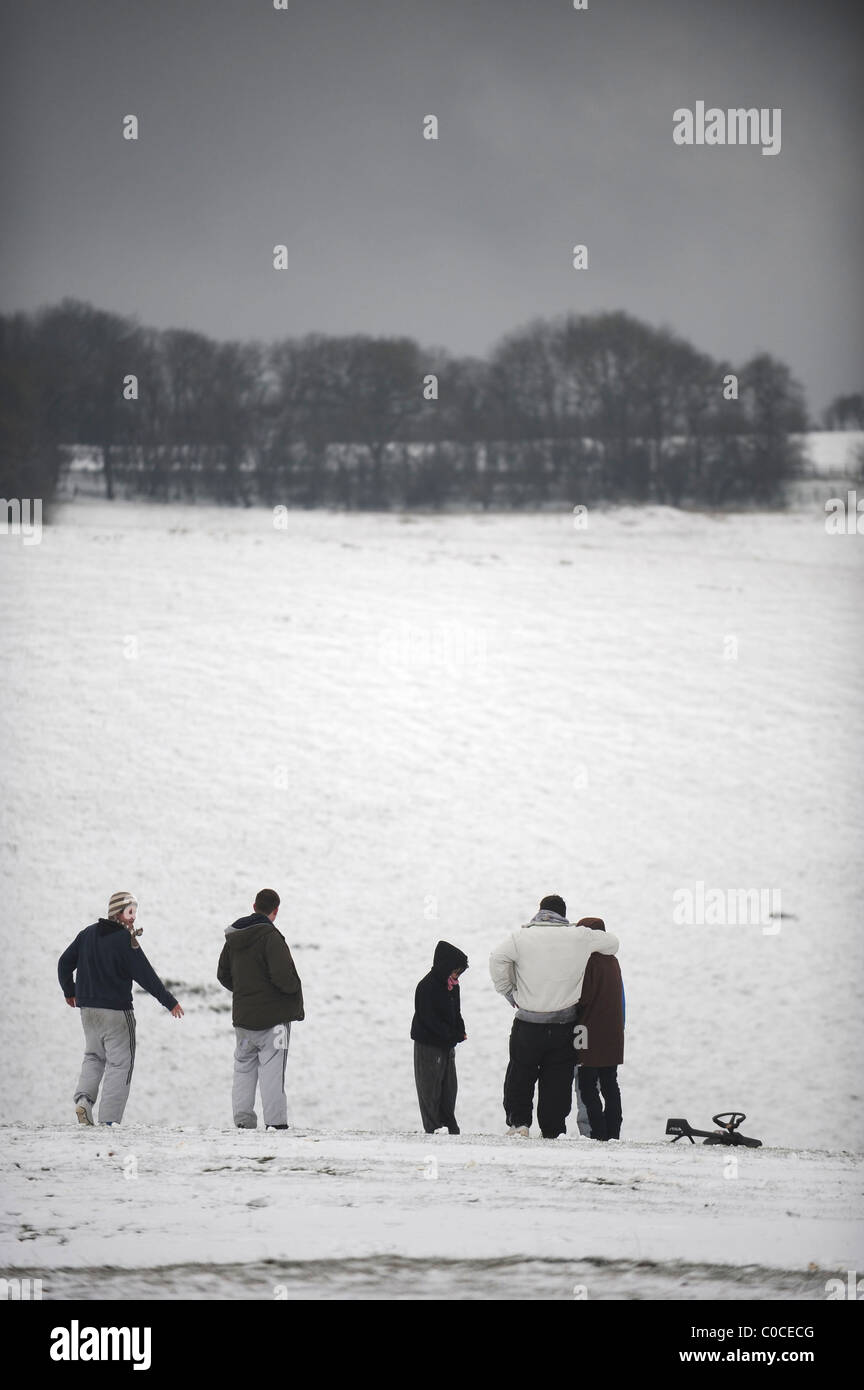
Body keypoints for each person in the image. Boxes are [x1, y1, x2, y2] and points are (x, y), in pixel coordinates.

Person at [490, 895, 619, 1139]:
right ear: (563, 914)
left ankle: (519, 1125)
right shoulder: (578, 937)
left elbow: (497, 958)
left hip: (527, 1023)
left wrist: (508, 990)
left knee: (521, 1074)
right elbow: (613, 943)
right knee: (557, 1081)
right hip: (563, 1025)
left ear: (540, 911)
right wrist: (588, 940)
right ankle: (552, 1130)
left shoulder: (521, 937)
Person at [57, 891, 184, 1126]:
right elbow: (146, 975)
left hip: (88, 1010)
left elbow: (64, 962)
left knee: (93, 1056)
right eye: (130, 912)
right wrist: (169, 1001)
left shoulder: (87, 934)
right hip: (117, 1013)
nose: (133, 918)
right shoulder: (126, 939)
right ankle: (109, 1121)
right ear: (118, 913)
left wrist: (70, 990)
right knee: (120, 1064)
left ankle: (84, 1101)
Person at [217, 888, 304, 1130]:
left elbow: (222, 974)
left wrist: (245, 991)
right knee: (273, 1072)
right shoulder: (271, 937)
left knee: (243, 1067)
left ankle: (243, 1121)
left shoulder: (234, 938)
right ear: (275, 911)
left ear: (254, 906)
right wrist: (293, 988)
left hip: (243, 1019)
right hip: (274, 1021)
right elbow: (284, 978)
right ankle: (276, 1124)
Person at [573, 917, 625, 1140]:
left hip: (585, 1031)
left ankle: (597, 1132)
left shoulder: (588, 962)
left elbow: (581, 998)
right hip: (613, 1032)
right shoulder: (612, 960)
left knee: (586, 1083)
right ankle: (613, 1131)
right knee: (609, 1083)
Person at [410, 941, 468, 1135]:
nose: (457, 976)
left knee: (449, 1087)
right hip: (428, 1046)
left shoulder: (453, 987)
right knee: (430, 1090)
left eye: (459, 973)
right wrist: (451, 1035)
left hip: (446, 1044)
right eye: (455, 972)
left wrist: (460, 1030)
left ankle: (449, 1126)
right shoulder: (426, 987)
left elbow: (455, 1012)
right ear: (445, 967)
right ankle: (434, 1128)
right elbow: (429, 1020)